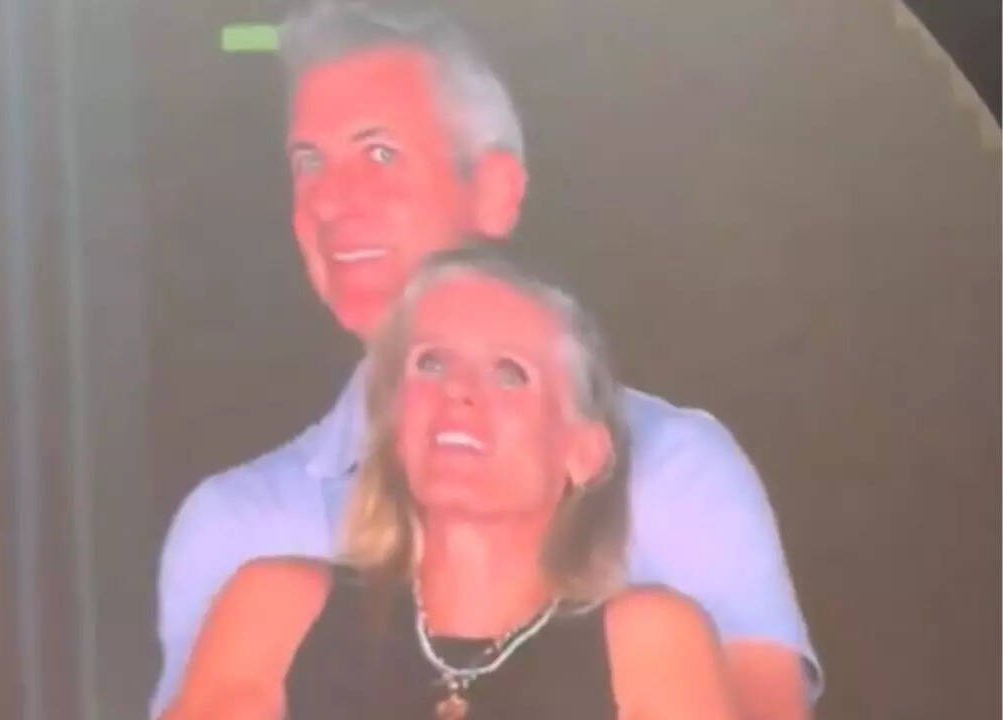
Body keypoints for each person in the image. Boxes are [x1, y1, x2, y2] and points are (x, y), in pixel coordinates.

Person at [152, 3, 820, 718]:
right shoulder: (240, 533)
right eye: (309, 162)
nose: (332, 201)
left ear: (496, 191)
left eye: (380, 154)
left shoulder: (676, 468)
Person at [163, 246, 740, 720]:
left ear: (583, 453)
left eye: (509, 373)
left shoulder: (647, 640)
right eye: (431, 364)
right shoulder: (279, 608)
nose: (457, 390)